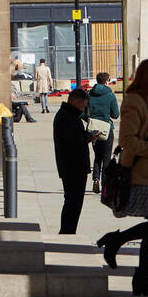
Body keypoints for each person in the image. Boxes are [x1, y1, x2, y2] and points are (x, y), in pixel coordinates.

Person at [95, 58, 148, 296]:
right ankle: (140, 276)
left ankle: (117, 243)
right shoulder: (134, 102)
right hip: (145, 175)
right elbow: (127, 141)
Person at [53, 89, 91, 233]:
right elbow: (73, 140)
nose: (83, 108)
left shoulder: (68, 115)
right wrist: (88, 137)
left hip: (72, 166)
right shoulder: (67, 116)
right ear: (76, 101)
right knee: (73, 202)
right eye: (83, 105)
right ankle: (67, 232)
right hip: (73, 166)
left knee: (73, 202)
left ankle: (68, 230)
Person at [87, 72, 120, 193]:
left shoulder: (89, 94)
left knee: (97, 156)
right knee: (106, 158)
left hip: (93, 129)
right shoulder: (110, 95)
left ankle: (96, 179)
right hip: (106, 129)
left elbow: (83, 113)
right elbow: (115, 114)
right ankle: (105, 184)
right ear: (107, 82)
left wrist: (91, 120)